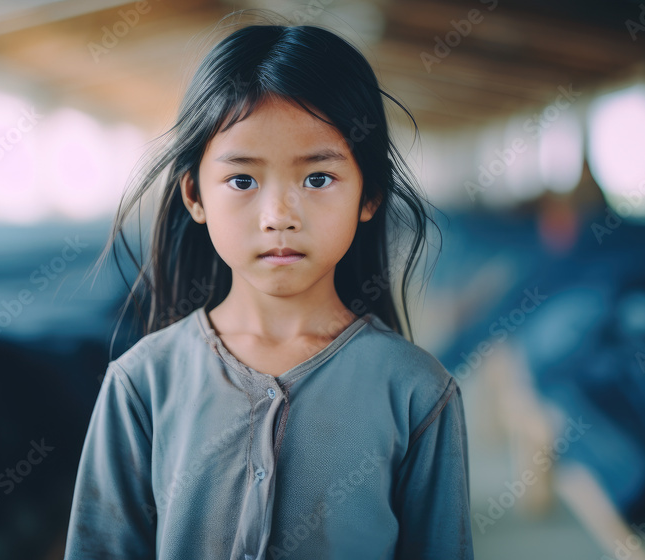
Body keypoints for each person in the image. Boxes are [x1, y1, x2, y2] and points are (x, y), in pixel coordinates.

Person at [64, 18, 474, 560]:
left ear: (369, 195)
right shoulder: (142, 384)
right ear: (195, 196)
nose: (279, 215)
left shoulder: (418, 392)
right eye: (242, 180)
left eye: (317, 178)